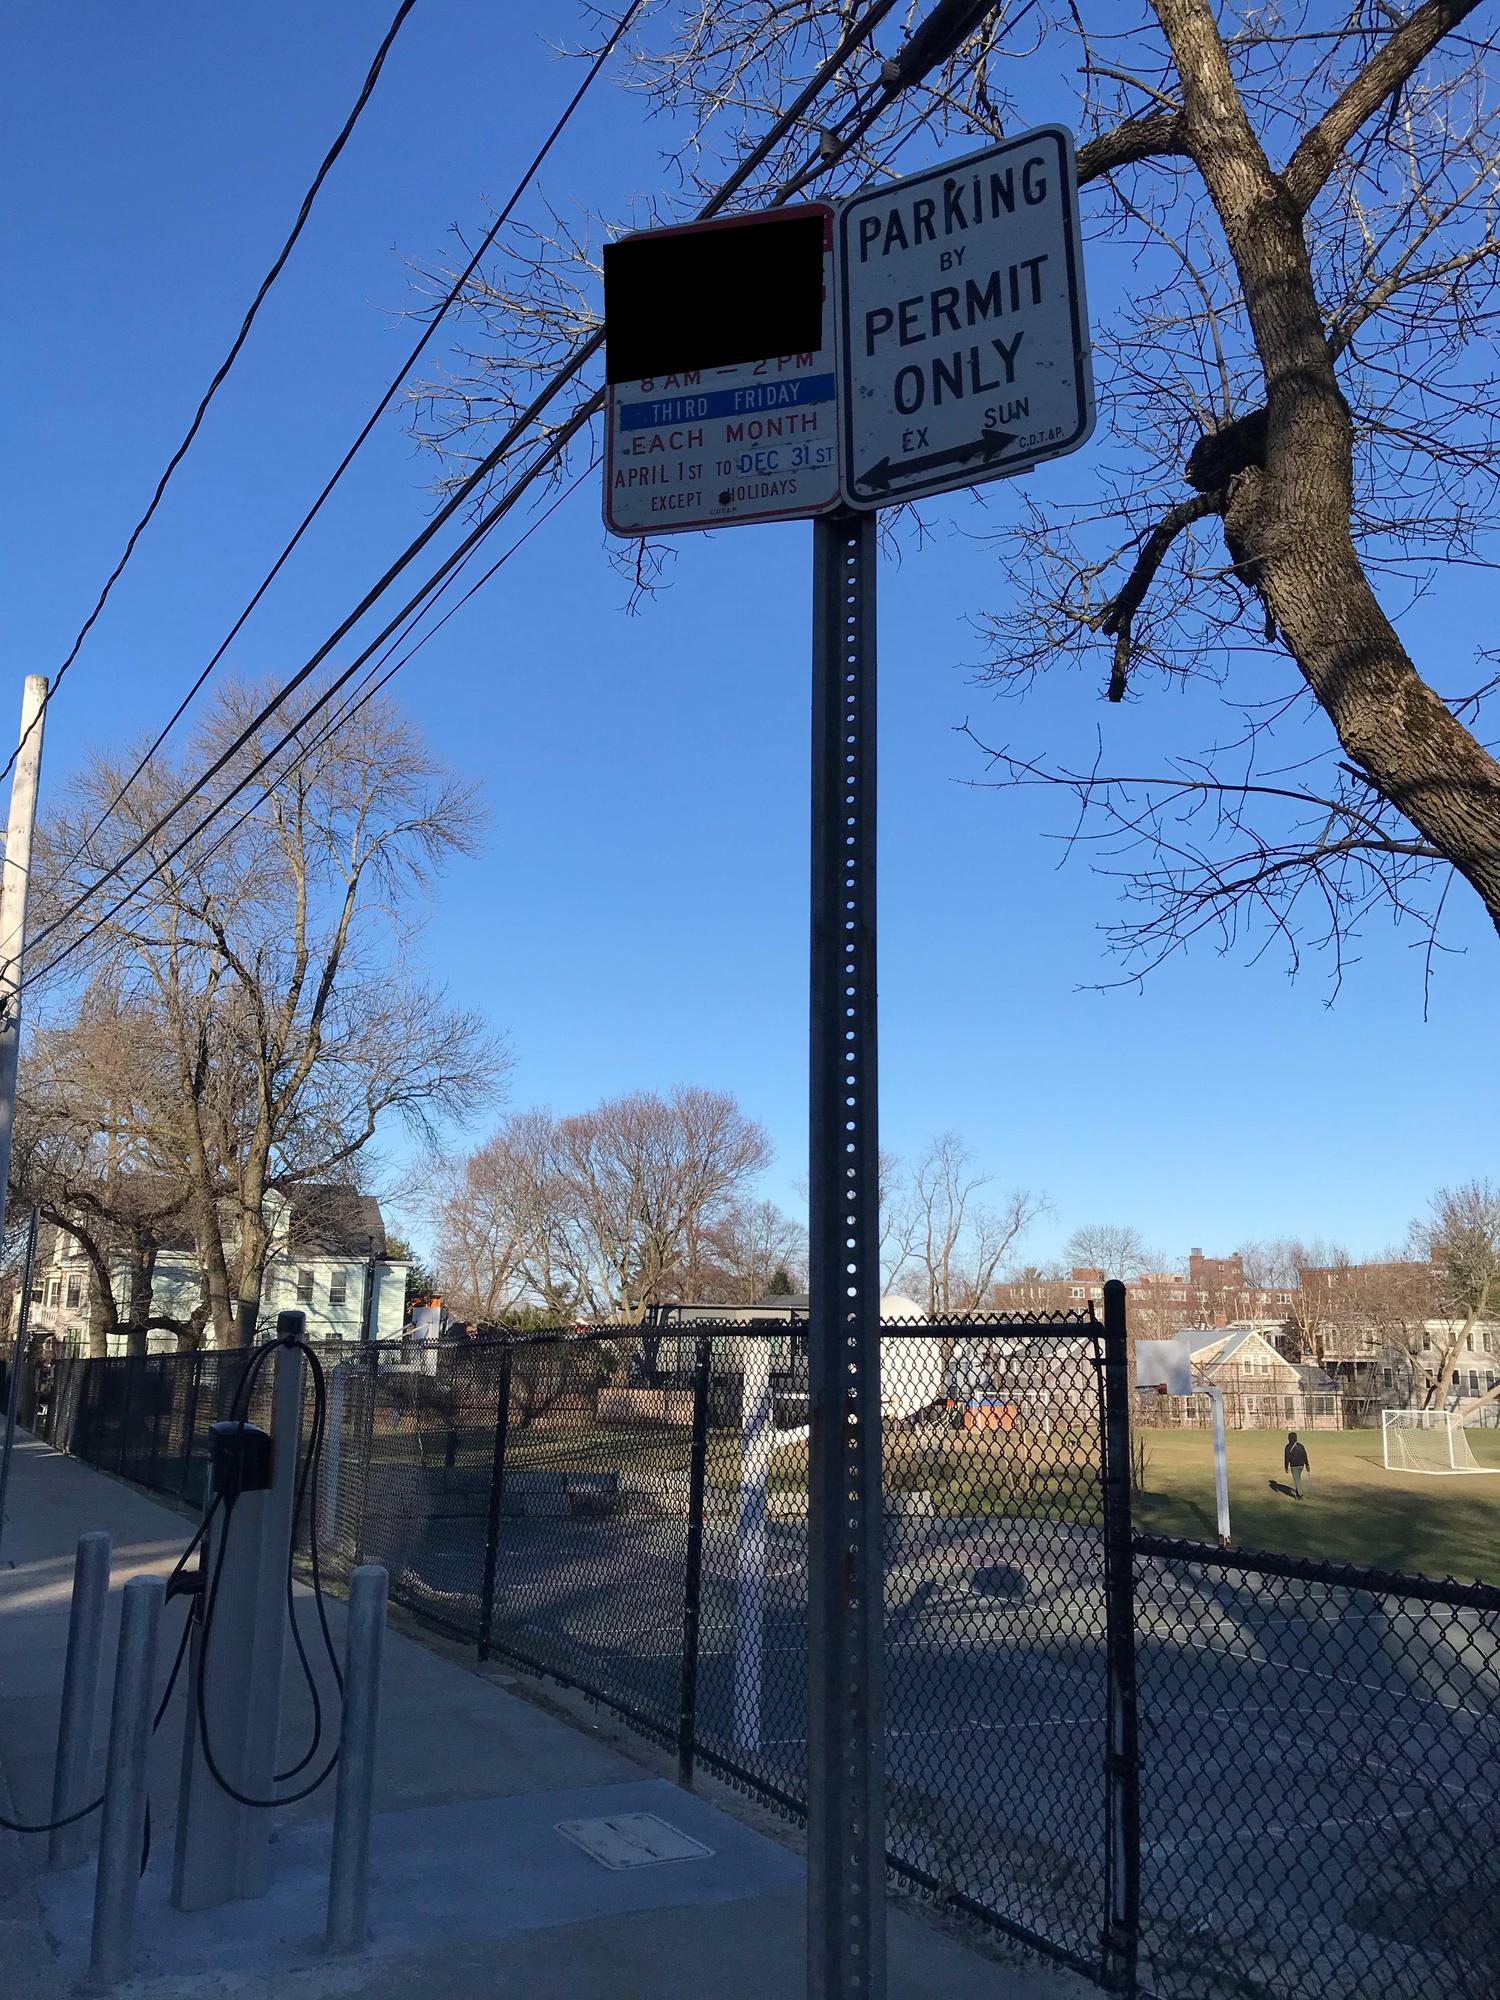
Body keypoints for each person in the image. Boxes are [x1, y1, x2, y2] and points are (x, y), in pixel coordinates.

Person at [1284, 1429, 1310, 1499]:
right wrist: (1307, 1465)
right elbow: (1305, 1455)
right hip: (1301, 1465)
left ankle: (1300, 1494)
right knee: (1297, 1479)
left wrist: (1286, 1466)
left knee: (1297, 1480)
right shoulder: (1301, 1446)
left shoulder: (1288, 1447)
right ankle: (1298, 1494)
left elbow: (1287, 1457)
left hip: (1294, 1466)